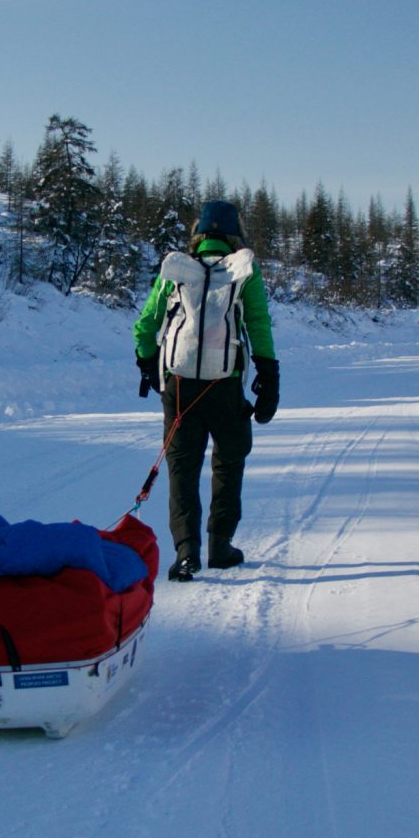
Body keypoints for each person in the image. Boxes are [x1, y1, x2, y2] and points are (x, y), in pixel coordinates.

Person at [133, 199, 279, 581]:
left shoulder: (177, 268)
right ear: (235, 234)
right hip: (225, 384)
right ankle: (220, 545)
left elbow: (146, 324)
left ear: (197, 233)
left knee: (182, 468)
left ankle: (185, 553)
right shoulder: (243, 269)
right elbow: (258, 323)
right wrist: (268, 375)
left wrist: (148, 363)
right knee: (228, 462)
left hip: (179, 385)